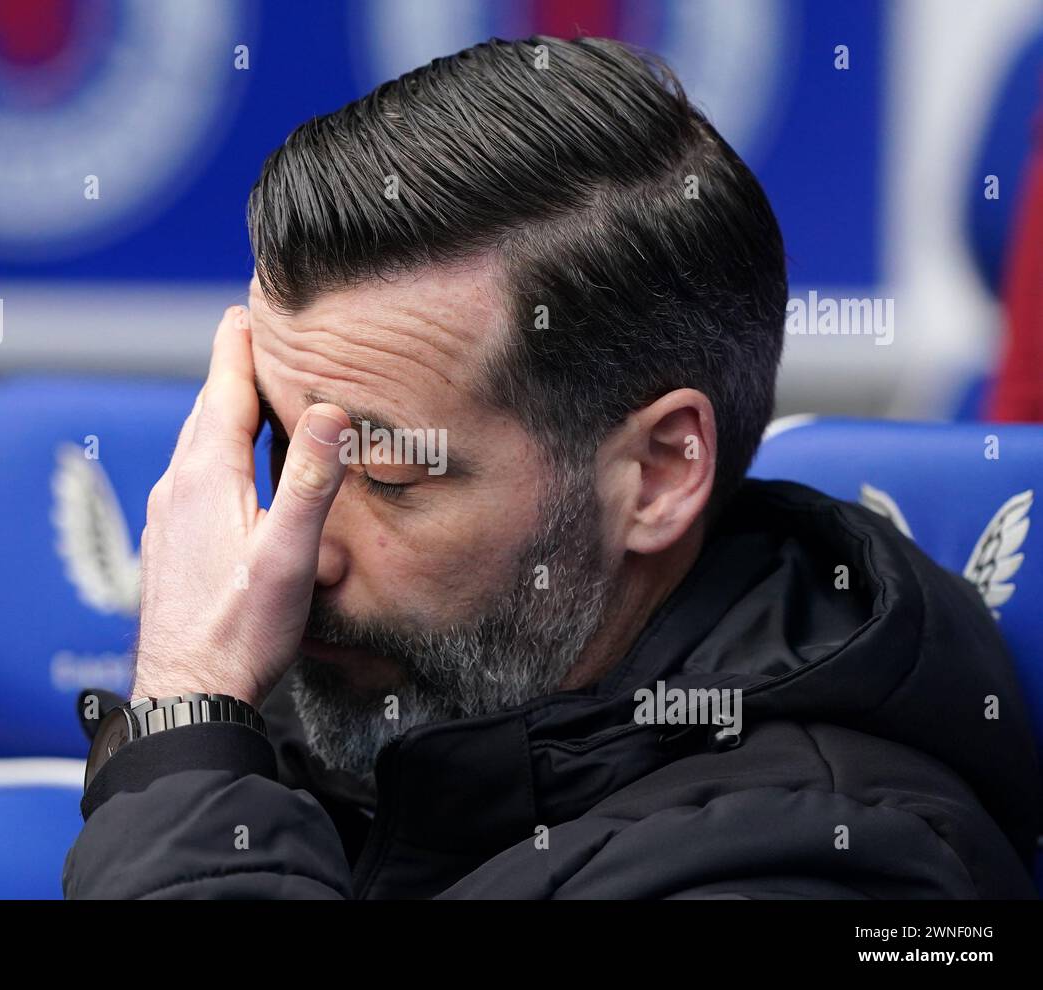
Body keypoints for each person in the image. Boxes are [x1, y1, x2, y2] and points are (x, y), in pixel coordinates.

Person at [63, 36, 1039, 899]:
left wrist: (187, 720)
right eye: (279, 442)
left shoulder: (829, 860)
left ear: (657, 474)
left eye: (391, 474)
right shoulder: (337, 715)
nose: (294, 552)